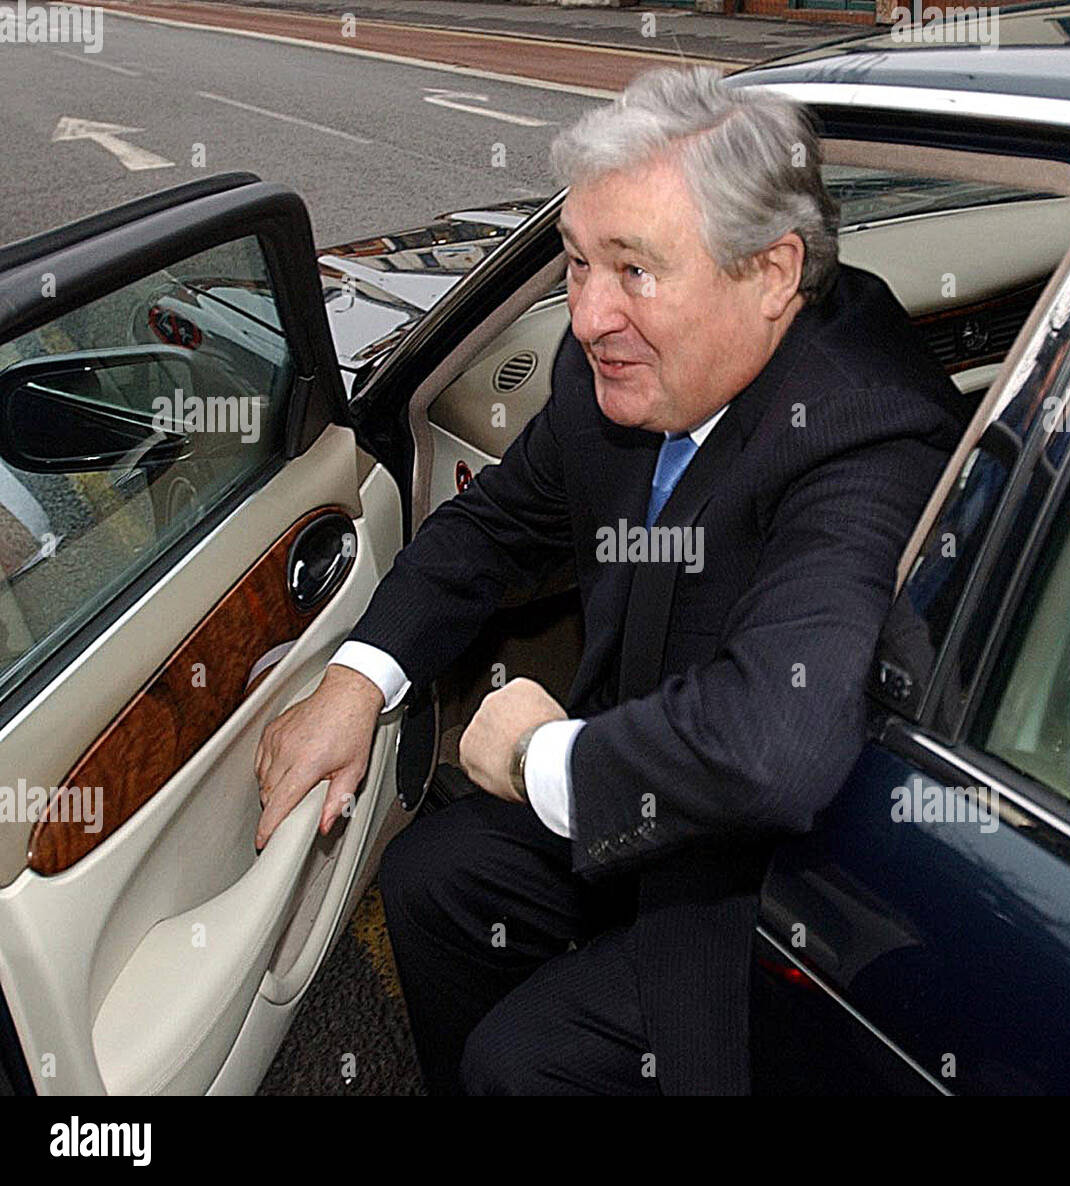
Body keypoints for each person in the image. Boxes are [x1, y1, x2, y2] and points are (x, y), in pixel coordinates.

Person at [254, 65, 963, 1095]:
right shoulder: (618, 377)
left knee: (525, 1061)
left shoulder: (863, 430)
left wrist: (543, 755)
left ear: (771, 274)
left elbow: (775, 744)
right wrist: (358, 678)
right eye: (576, 263)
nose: (586, 318)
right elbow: (496, 524)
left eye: (633, 270)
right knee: (430, 880)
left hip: (765, 874)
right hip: (629, 786)